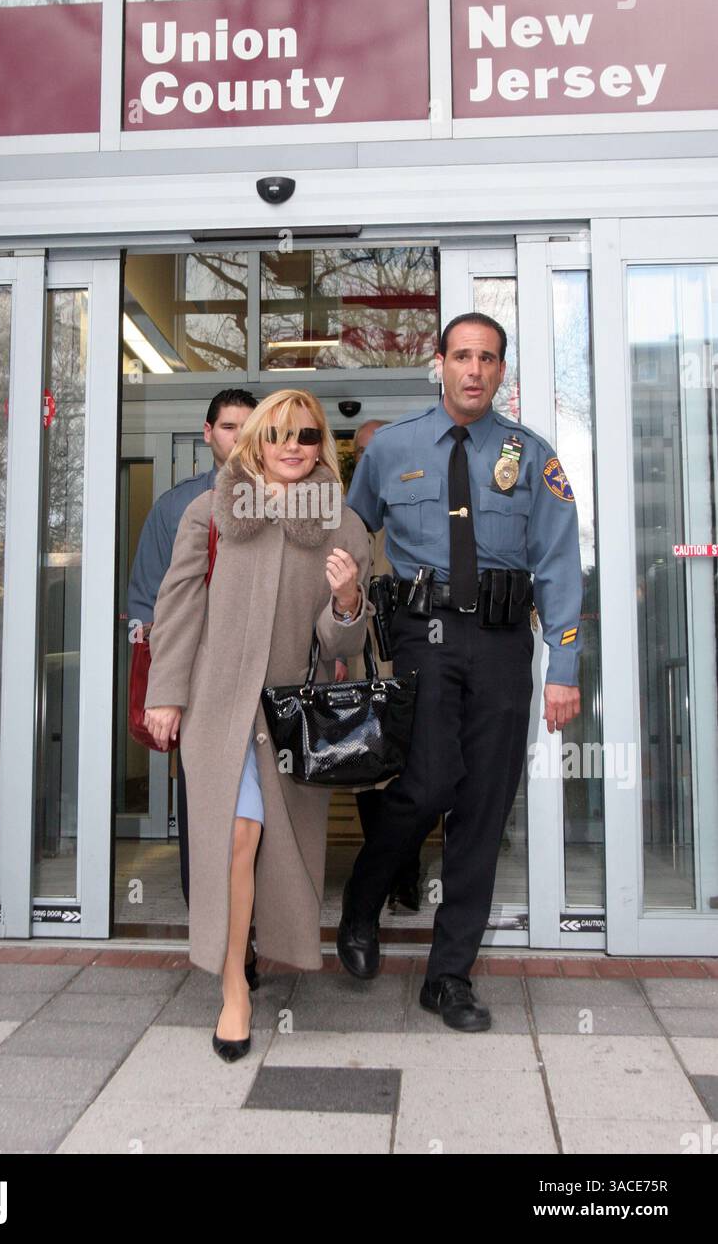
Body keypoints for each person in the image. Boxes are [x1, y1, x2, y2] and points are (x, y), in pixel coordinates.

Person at [338, 312, 582, 1031]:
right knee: (427, 782)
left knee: (482, 809)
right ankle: (363, 899)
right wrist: (335, 612)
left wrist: (563, 665)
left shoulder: (531, 455)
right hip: (424, 635)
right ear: (438, 361)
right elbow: (349, 540)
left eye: (489, 359)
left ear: (501, 371)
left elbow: (561, 565)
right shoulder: (392, 450)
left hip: (505, 641)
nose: (474, 370)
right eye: (462, 355)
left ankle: (449, 977)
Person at [144, 389, 371, 1061]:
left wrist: (347, 598)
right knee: (238, 838)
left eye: (306, 434)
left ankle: (267, 949)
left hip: (291, 715)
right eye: (279, 434)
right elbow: (178, 603)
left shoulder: (344, 524)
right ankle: (235, 989)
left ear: (320, 441)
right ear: (256, 442)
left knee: (281, 846)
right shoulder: (209, 510)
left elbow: (343, 647)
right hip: (220, 707)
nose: (293, 445)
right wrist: (167, 693)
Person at [127, 389, 256, 919]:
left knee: (264, 806)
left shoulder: (287, 502)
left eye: (251, 427)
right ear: (208, 434)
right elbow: (149, 609)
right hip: (202, 685)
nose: (240, 438)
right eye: (229, 427)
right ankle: (208, 920)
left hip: (268, 679)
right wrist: (165, 693)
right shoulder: (177, 508)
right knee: (205, 806)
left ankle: (253, 926)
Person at [349, 420, 430, 913]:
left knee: (413, 777)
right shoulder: (346, 522)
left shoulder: (413, 512)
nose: (368, 460)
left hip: (409, 665)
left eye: (375, 451)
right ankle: (383, 877)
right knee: (368, 775)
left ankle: (406, 873)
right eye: (360, 453)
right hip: (361, 666)